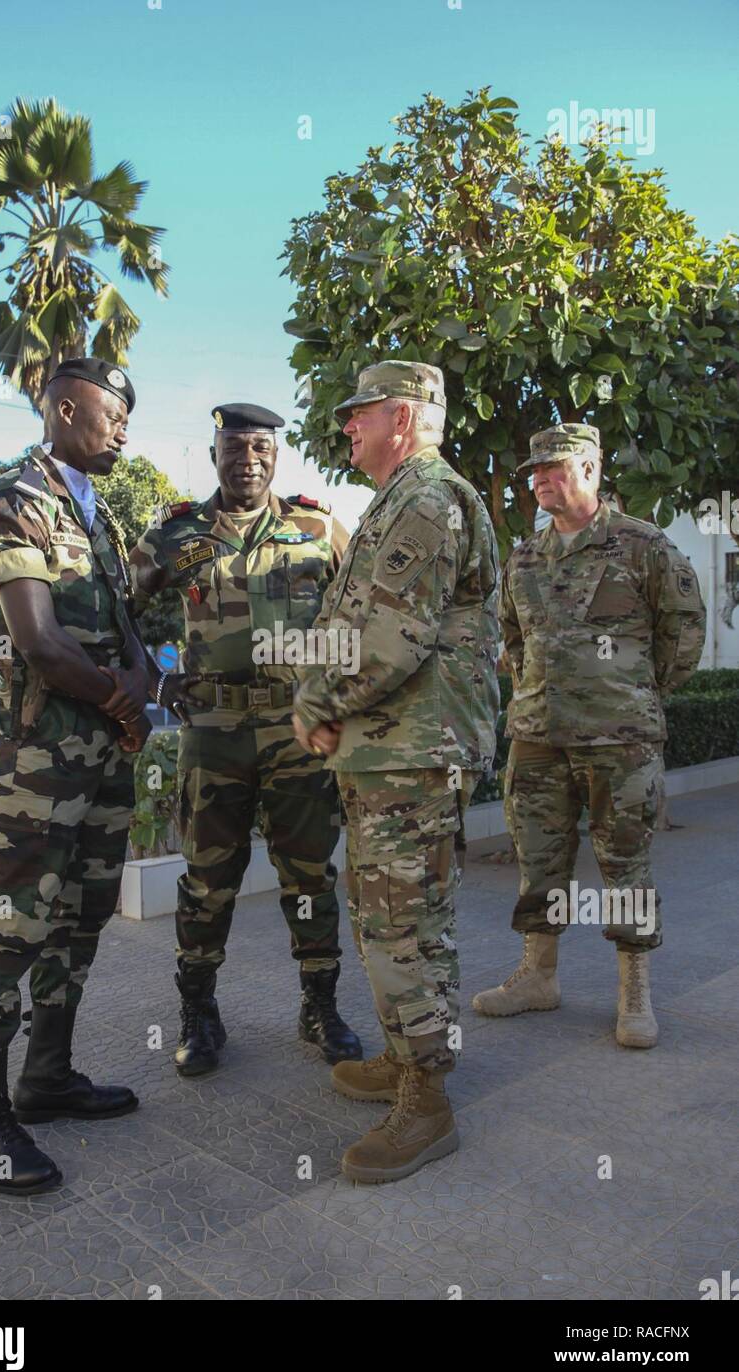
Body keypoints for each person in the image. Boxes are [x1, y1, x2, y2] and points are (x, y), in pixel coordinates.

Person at [292, 361, 500, 1183]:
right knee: (386, 914)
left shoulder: (426, 500)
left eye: (360, 414)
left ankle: (427, 1101)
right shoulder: (399, 498)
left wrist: (315, 703)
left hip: (417, 750)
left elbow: (387, 637)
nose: (347, 426)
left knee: (405, 925)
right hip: (392, 748)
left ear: (404, 418)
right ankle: (403, 1056)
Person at [0, 358, 151, 1194]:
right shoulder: (13, 502)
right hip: (41, 761)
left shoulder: (95, 510)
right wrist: (124, 703)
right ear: (67, 408)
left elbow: (125, 623)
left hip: (100, 758)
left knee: (80, 916)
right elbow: (38, 642)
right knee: (11, 926)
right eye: (114, 414)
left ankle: (48, 1077)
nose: (124, 430)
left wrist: (144, 681)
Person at [130, 403, 362, 1076]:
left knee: (310, 873)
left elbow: (362, 607)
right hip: (213, 730)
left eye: (260, 447)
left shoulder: (316, 527)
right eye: (235, 448)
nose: (248, 459)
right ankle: (198, 1014)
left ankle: (320, 1004)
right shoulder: (176, 534)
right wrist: (154, 683)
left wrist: (340, 695)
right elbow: (118, 609)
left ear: (276, 456)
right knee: (207, 878)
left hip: (298, 729)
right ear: (214, 456)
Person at [472, 423, 706, 1047]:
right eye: (535, 472)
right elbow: (514, 641)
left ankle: (634, 992)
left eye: (554, 468)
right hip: (537, 736)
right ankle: (538, 977)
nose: (542, 480)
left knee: (624, 864)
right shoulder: (524, 557)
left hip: (618, 739)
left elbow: (682, 632)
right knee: (539, 863)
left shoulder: (643, 545)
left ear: (592, 470)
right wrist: (533, 695)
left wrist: (635, 694)